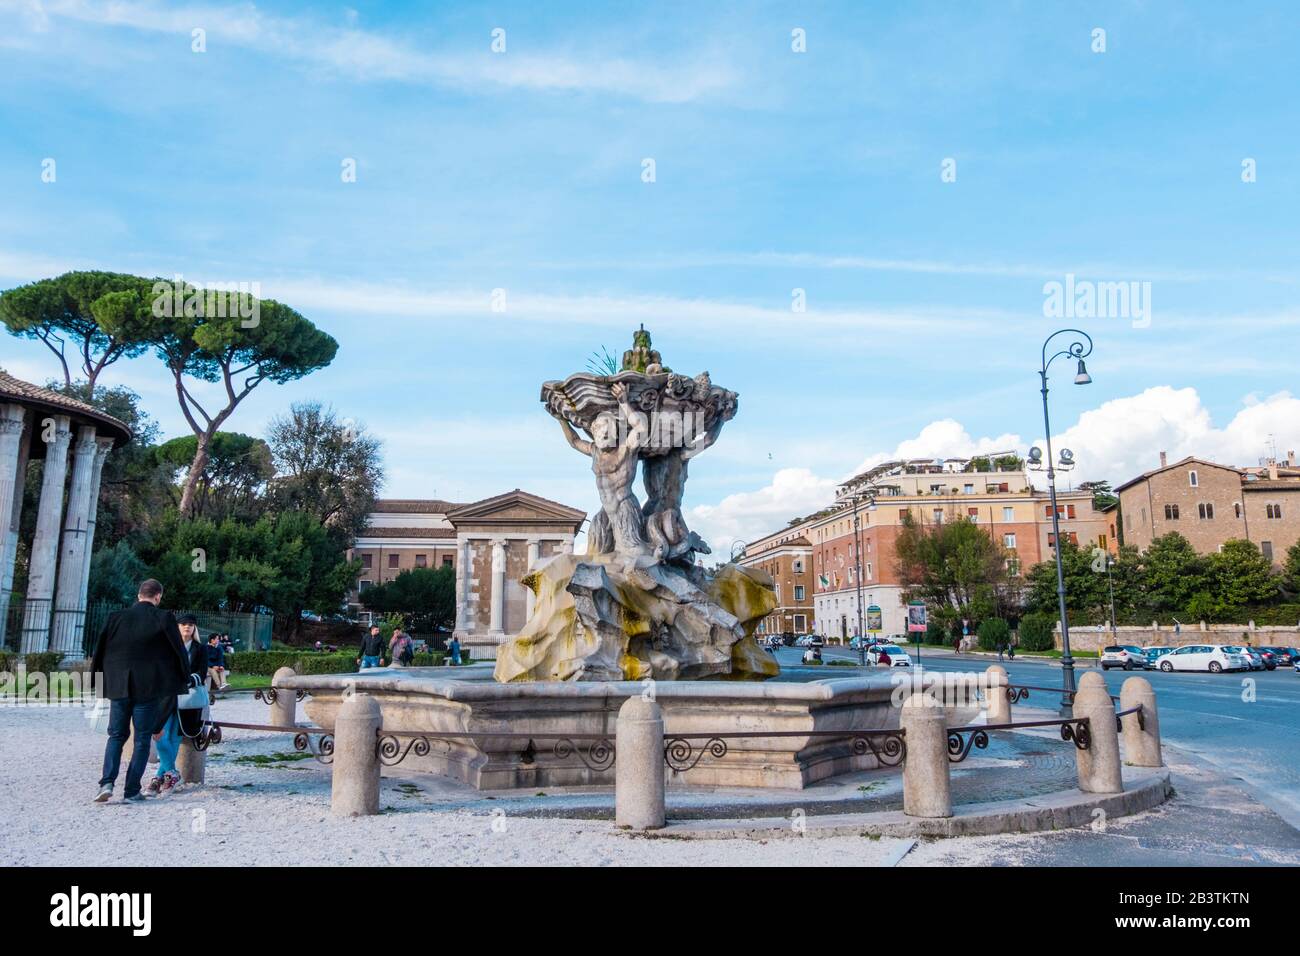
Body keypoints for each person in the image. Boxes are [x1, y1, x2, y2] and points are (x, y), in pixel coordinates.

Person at [91, 579, 189, 803]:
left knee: (116, 735)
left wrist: (99, 681)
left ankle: (106, 782)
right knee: (142, 738)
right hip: (147, 687)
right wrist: (183, 676)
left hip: (119, 686)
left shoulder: (116, 617)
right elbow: (178, 652)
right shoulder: (163, 618)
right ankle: (132, 791)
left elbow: (100, 650)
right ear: (158, 597)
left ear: (138, 596)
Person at [148, 613, 209, 795]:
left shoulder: (200, 648)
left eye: (190, 625)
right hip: (166, 697)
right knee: (160, 735)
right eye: (183, 624)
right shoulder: (168, 647)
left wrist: (188, 680)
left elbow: (202, 671)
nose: (187, 627)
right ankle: (172, 773)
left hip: (187, 698)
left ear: (194, 628)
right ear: (178, 627)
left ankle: (160, 777)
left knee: (175, 738)